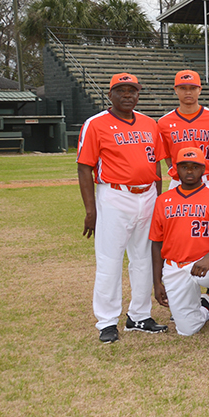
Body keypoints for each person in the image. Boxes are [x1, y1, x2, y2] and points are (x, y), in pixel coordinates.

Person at [77, 72, 168, 344]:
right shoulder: (96, 124)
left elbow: (156, 165)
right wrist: (91, 211)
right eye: (122, 91)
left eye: (132, 91)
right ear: (110, 94)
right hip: (114, 195)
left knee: (143, 259)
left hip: (147, 195)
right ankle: (106, 320)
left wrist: (158, 197)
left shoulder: (149, 123)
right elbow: (84, 168)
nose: (128, 95)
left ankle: (139, 316)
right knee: (110, 260)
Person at [149, 146, 209, 353]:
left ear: (203, 169)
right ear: (176, 170)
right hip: (175, 267)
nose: (189, 171)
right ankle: (206, 307)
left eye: (195, 167)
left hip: (205, 265)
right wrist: (156, 282)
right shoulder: (163, 201)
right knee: (187, 329)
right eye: (184, 166)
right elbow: (156, 242)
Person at [158, 70, 209, 191]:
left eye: (193, 88)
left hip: (208, 180)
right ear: (176, 90)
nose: (188, 92)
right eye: (183, 88)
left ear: (200, 90)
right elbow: (167, 155)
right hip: (178, 181)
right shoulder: (164, 122)